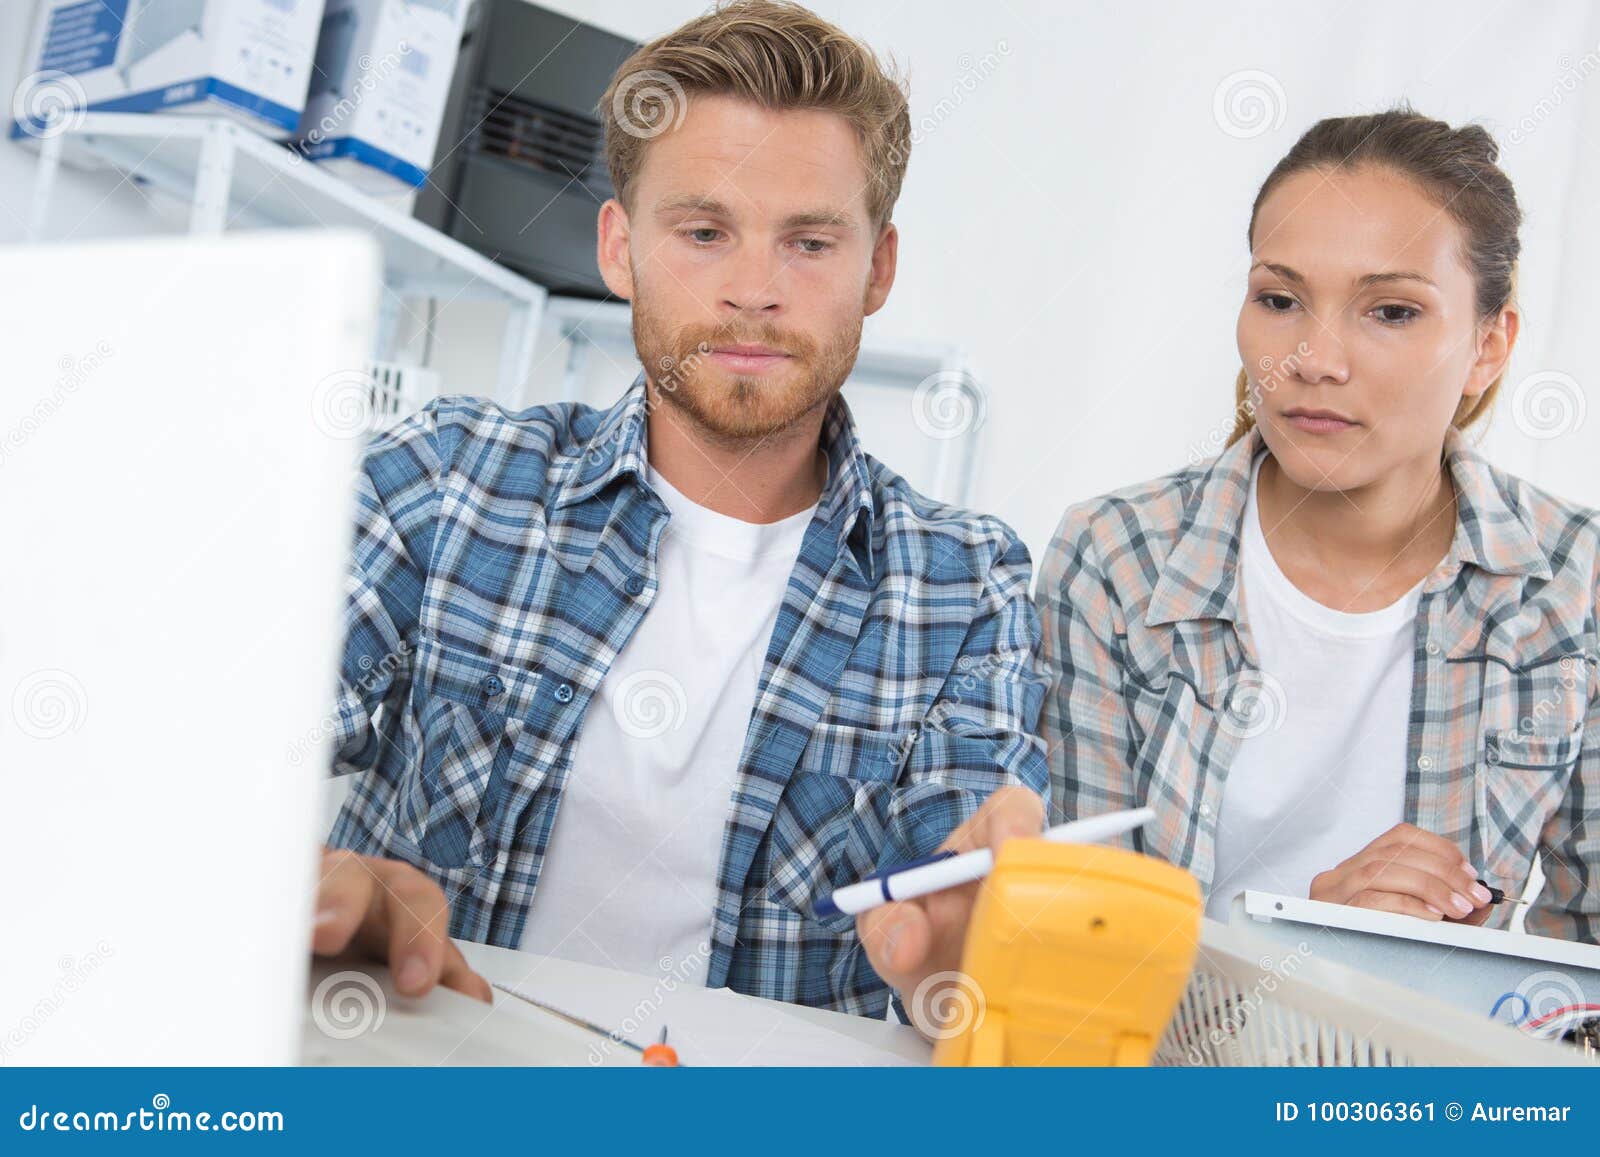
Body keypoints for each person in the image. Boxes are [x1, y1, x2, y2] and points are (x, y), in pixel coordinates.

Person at [312, 0, 1050, 1031]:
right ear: (620, 247)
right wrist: (310, 880)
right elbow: (207, 742)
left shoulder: (965, 584)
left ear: (877, 268)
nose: (754, 289)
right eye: (704, 231)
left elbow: (963, 924)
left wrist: (980, 937)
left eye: (809, 242)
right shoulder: (447, 482)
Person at [1037, 107, 1598, 941]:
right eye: (1280, 298)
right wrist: (1299, 951)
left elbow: (1578, 985)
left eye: (1391, 312)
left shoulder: (1574, 578)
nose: (1314, 360)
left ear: (1488, 345)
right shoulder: (1115, 559)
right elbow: (1074, 956)